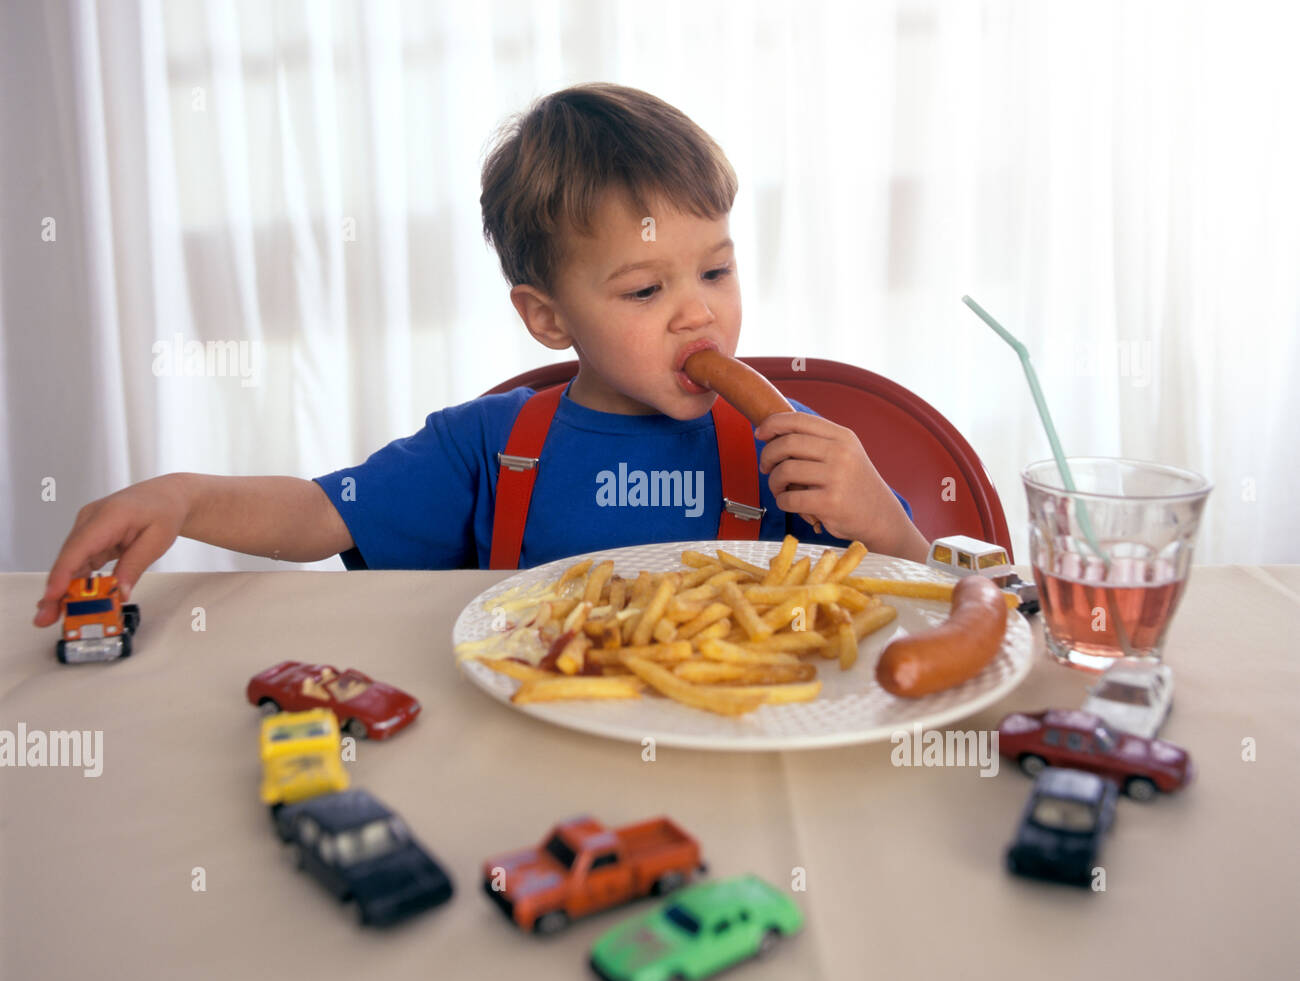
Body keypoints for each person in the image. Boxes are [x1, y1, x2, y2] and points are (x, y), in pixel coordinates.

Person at [33, 83, 928, 630]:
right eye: (644, 291)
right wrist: (184, 496)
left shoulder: (790, 446)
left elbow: (936, 600)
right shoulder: (491, 445)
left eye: (717, 270)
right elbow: (316, 515)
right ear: (546, 318)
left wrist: (885, 525)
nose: (698, 314)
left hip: (742, 756)